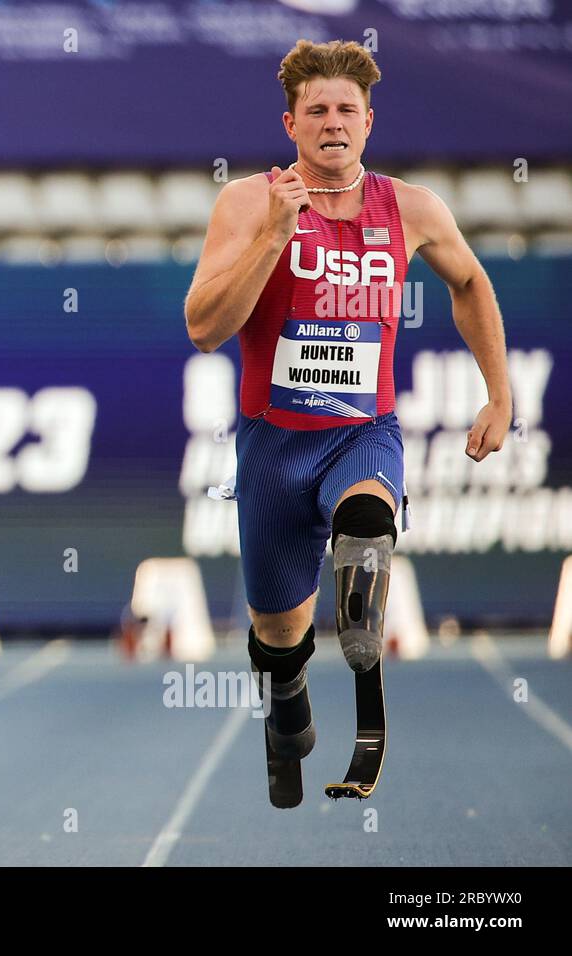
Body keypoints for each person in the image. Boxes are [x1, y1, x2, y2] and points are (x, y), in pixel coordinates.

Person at [184, 39, 511, 796]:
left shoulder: (413, 208)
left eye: (347, 111)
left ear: (368, 123)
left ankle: (363, 622)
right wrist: (273, 235)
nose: (333, 123)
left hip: (363, 432)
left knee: (368, 520)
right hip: (274, 448)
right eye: (318, 111)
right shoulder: (246, 201)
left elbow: (470, 282)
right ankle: (288, 704)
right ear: (291, 124)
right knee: (278, 638)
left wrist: (499, 393)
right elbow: (203, 327)